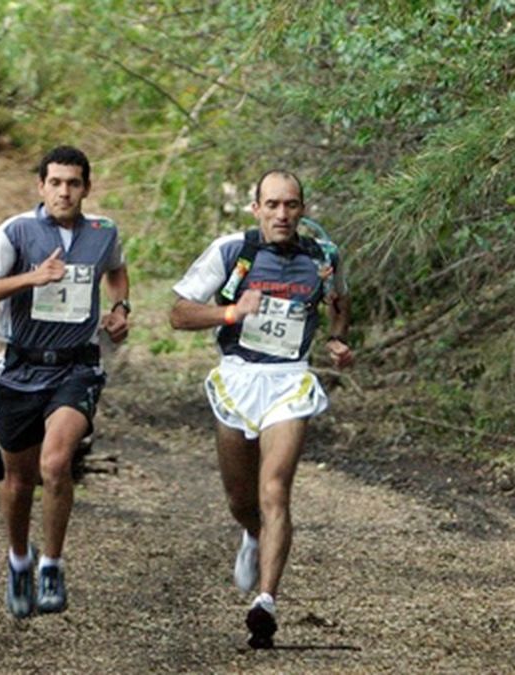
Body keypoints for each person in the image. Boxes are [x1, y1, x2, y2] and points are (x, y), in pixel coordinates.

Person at [169, 170, 353, 648]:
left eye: (291, 205)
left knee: (275, 489)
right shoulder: (234, 251)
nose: (282, 214)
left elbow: (339, 301)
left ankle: (265, 602)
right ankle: (252, 534)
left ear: (303, 209)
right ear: (256, 209)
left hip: (289, 381)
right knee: (241, 499)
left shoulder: (323, 256)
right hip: (237, 378)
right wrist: (231, 312)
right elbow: (178, 313)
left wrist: (336, 338)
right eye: (272, 205)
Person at [0, 145, 130, 618]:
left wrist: (120, 309)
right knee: (18, 478)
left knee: (55, 464)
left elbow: (116, 271)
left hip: (76, 367)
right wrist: (30, 278)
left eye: (73, 183)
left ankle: (52, 563)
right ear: (41, 187)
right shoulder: (17, 231)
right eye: (55, 182)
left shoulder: (103, 233)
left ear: (86, 188)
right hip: (20, 368)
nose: (64, 191)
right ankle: (20, 560)